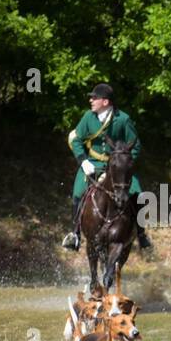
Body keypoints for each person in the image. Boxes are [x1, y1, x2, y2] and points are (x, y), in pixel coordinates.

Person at [63, 83, 151, 252]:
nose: (91, 100)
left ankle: (141, 234)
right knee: (77, 192)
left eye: (94, 98)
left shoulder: (123, 119)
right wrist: (83, 161)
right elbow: (76, 140)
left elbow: (136, 145)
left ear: (105, 102)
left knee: (137, 193)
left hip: (118, 168)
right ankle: (75, 235)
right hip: (93, 163)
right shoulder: (88, 117)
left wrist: (124, 163)